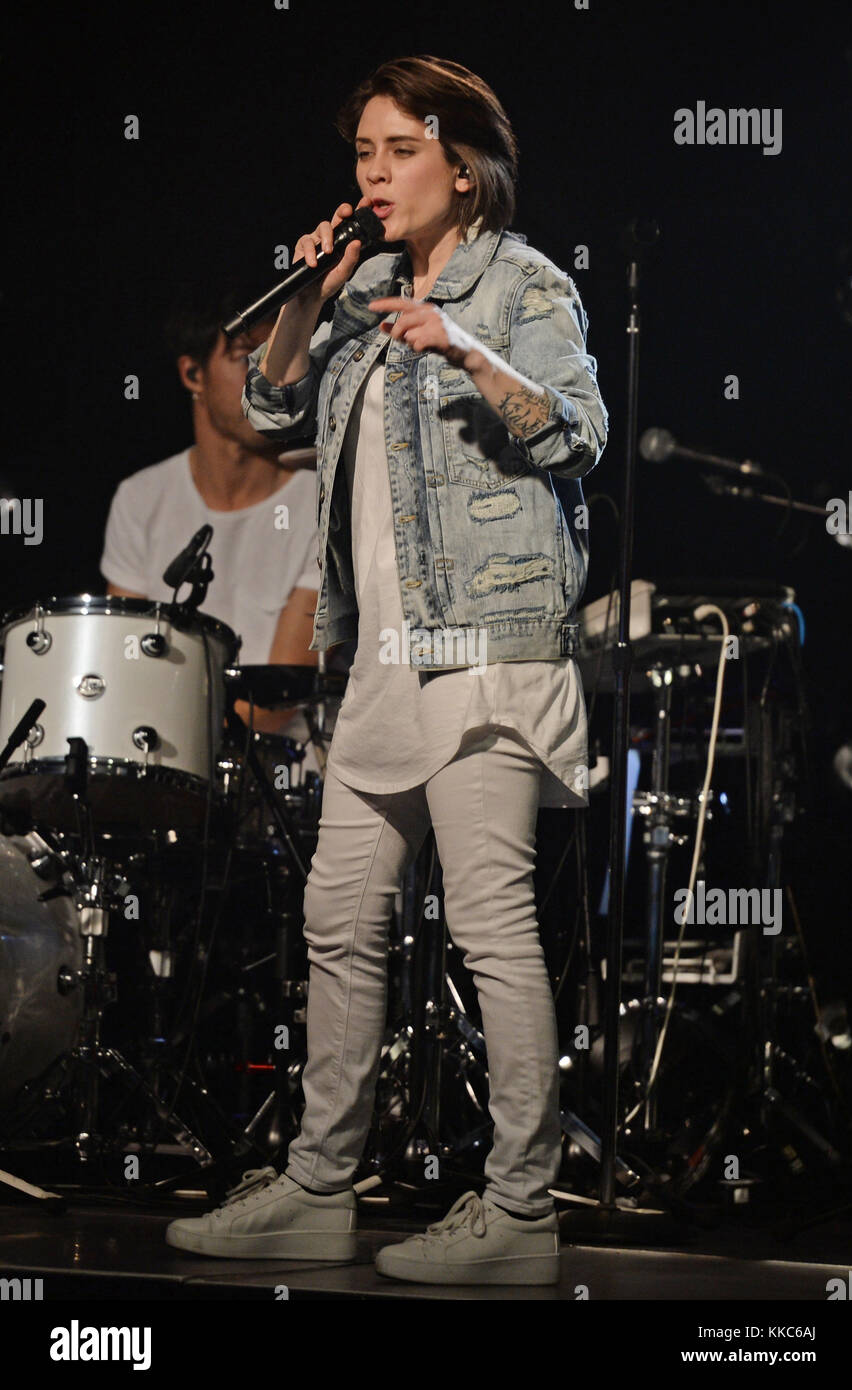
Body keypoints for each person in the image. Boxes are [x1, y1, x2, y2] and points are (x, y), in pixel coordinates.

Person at [166, 55, 607, 1287]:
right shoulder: (355, 292)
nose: (371, 174)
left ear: (459, 164)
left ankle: (519, 1206)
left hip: (481, 652)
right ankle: (318, 1184)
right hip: (381, 664)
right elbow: (265, 410)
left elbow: (576, 432)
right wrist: (311, 291)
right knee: (337, 924)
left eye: (395, 149)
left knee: (488, 925)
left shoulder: (523, 283)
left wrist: (467, 345)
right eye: (359, 154)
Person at [100, 288, 322, 739]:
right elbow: (122, 660)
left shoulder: (320, 498)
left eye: (278, 354)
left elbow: (280, 699)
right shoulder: (140, 497)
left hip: (279, 782)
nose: (269, 375)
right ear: (192, 374)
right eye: (247, 356)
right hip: (165, 767)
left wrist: (164, 731)